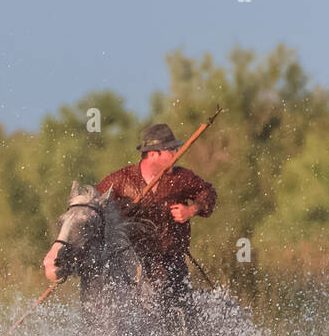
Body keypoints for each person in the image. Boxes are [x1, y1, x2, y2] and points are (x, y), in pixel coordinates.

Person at [44, 122, 216, 302]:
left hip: (171, 261)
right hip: (131, 263)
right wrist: (122, 209)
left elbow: (209, 193)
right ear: (153, 154)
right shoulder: (121, 180)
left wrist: (191, 210)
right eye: (171, 150)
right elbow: (93, 208)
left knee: (182, 312)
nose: (176, 154)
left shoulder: (182, 178)